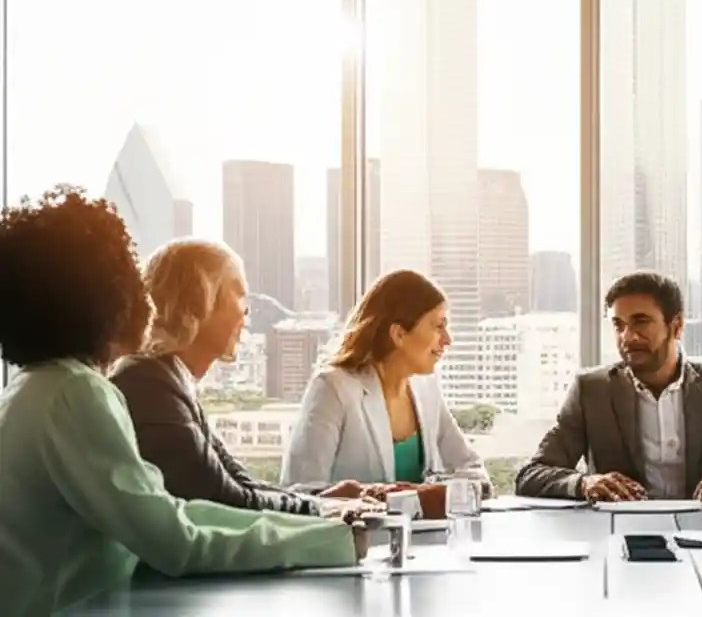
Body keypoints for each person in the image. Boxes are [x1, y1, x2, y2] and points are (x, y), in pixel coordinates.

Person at [0, 187, 361, 616]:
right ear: (98, 295)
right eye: (128, 276)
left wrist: (324, 529)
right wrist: (327, 539)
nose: (146, 294)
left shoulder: (38, 388)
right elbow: (175, 542)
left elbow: (175, 512)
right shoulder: (76, 395)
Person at [109, 239, 369, 516]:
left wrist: (321, 500)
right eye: (240, 294)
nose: (246, 310)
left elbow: (240, 483)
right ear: (200, 301)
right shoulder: (150, 389)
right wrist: (324, 509)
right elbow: (226, 501)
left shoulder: (167, 380)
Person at [515, 272, 702, 505]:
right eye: (619, 325)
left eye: (641, 322)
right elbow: (532, 474)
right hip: (619, 532)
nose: (628, 337)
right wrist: (583, 483)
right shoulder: (591, 391)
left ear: (676, 326)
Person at [282, 270, 489, 493]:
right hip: (350, 528)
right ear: (398, 334)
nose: (448, 339)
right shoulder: (333, 388)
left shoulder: (426, 388)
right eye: (438, 326)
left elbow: (474, 472)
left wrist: (431, 495)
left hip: (428, 529)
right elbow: (298, 492)